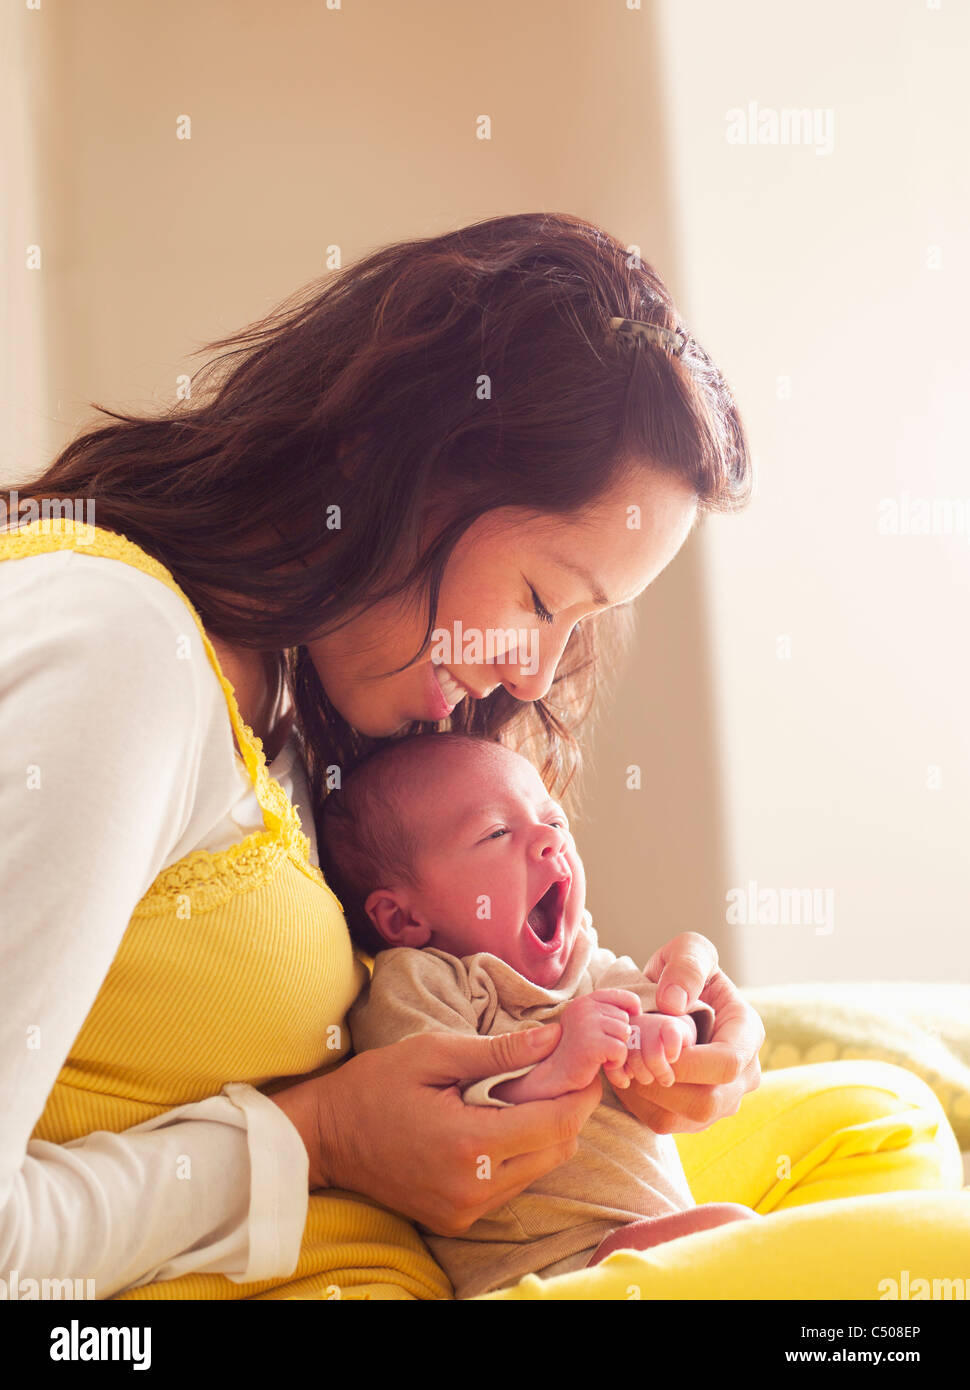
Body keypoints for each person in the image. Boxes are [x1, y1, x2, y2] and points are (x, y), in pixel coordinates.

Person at [1, 212, 963, 1302]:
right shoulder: (115, 658)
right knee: (931, 1262)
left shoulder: (301, 683)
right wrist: (316, 1139)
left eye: (578, 625)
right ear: (398, 468)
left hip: (441, 1229)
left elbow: (453, 980)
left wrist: (661, 1020)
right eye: (544, 598)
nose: (535, 680)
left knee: (876, 1117)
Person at [322, 730, 760, 1299]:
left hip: (639, 1240)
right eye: (496, 832)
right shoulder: (423, 981)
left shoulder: (587, 961)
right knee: (737, 1236)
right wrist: (553, 1072)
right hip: (551, 1268)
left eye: (553, 822)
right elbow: (429, 1117)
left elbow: (683, 1018)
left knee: (739, 1246)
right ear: (403, 919)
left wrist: (672, 1032)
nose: (548, 843)